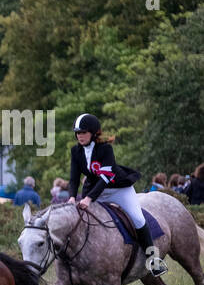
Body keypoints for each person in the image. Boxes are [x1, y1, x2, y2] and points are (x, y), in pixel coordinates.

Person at [68, 113, 164, 275]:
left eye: (83, 132)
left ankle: (153, 261)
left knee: (138, 218)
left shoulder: (105, 149)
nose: (79, 136)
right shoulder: (75, 151)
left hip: (118, 190)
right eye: (77, 133)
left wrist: (88, 199)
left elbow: (105, 179)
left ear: (93, 133)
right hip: (94, 190)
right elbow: (73, 178)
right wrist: (71, 197)